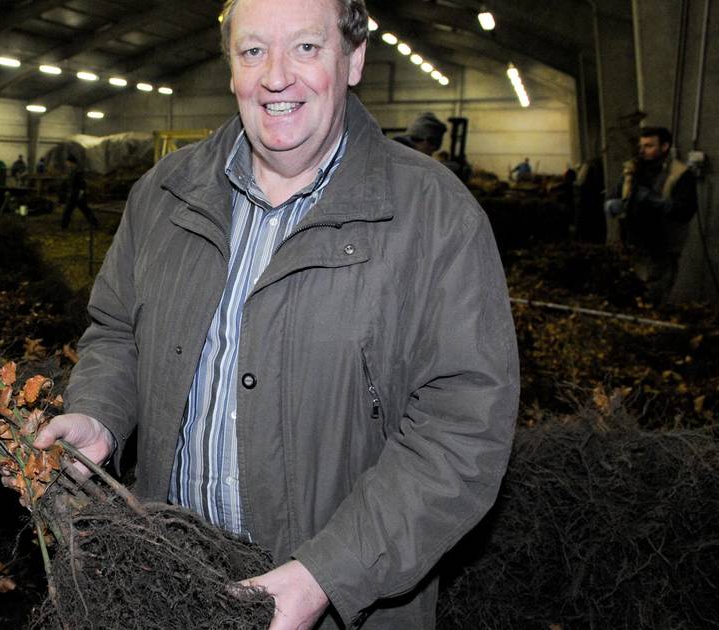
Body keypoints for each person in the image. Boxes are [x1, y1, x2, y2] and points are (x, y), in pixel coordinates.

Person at [34, 0, 520, 628]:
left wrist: (329, 572)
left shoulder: (434, 216)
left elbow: (463, 429)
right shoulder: (164, 194)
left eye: (307, 48)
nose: (275, 76)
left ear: (354, 59)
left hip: (348, 606)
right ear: (231, 66)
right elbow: (118, 330)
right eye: (253, 50)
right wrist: (101, 413)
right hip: (168, 585)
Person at [604, 126, 698, 302]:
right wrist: (612, 205)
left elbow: (685, 211)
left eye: (649, 146)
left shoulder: (681, 174)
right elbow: (614, 195)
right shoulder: (633, 170)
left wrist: (653, 200)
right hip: (633, 244)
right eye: (642, 146)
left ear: (664, 147)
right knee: (629, 295)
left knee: (653, 295)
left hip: (663, 245)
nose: (643, 151)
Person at [60, 154, 98, 230]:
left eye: (67, 162)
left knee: (80, 210)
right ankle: (64, 226)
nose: (67, 164)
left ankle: (94, 223)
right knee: (78, 209)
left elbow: (82, 183)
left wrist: (80, 193)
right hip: (74, 194)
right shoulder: (72, 171)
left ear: (71, 162)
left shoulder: (78, 171)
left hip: (77, 194)